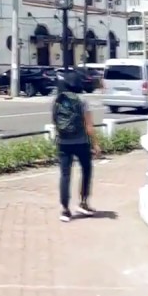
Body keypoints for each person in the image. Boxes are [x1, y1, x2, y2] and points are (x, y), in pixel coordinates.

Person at [52, 70, 99, 221]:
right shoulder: (82, 101)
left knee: (65, 175)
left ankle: (65, 210)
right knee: (86, 170)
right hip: (81, 142)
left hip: (63, 142)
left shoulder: (58, 100)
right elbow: (89, 126)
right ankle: (83, 203)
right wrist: (96, 144)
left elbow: (55, 121)